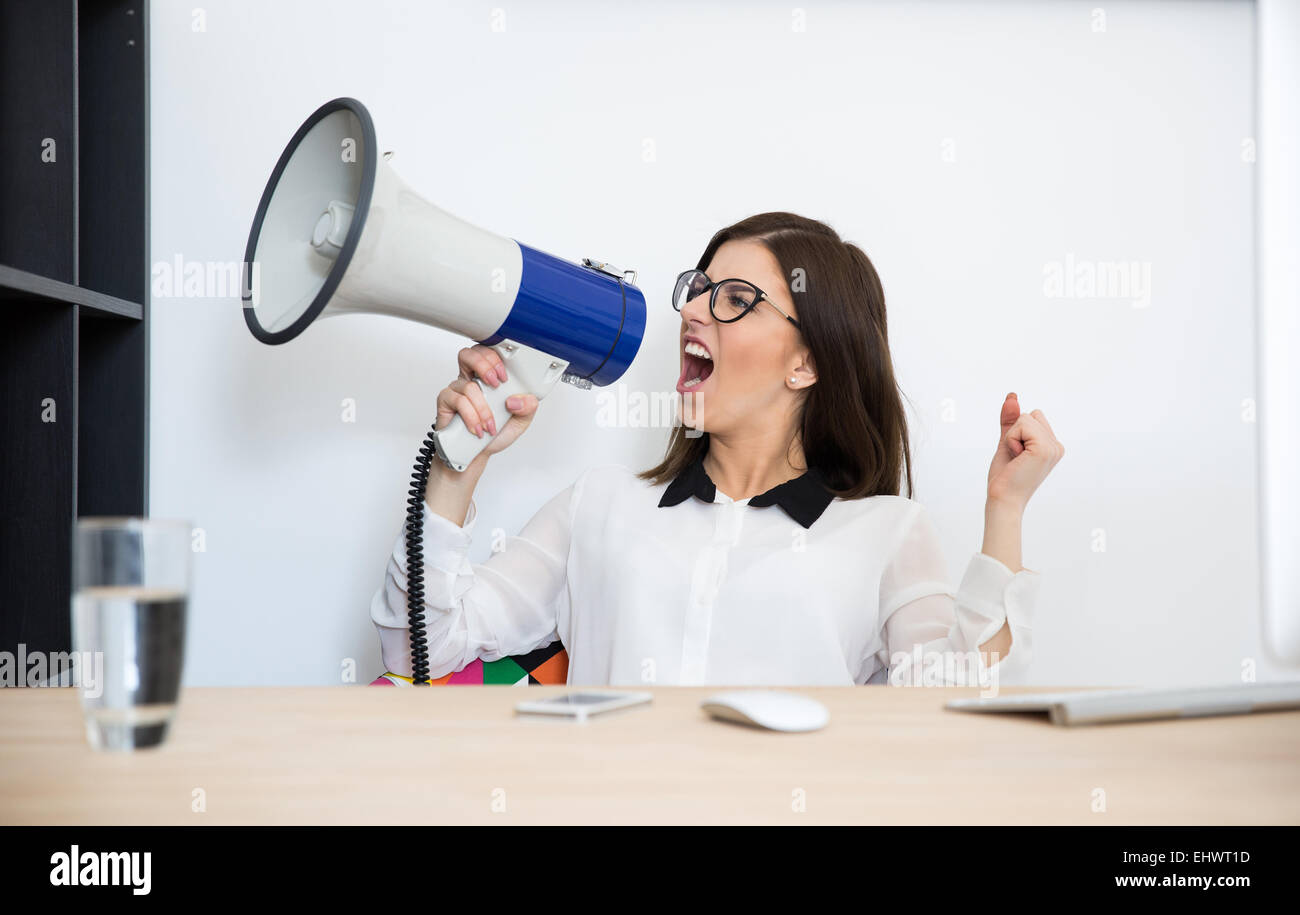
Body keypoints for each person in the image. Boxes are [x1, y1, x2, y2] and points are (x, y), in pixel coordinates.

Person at [369, 212, 1064, 687]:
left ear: (806, 364)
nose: (694, 310)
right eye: (698, 289)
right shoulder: (600, 505)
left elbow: (958, 710)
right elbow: (416, 652)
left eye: (735, 298)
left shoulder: (885, 534)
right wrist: (456, 467)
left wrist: (1005, 511)